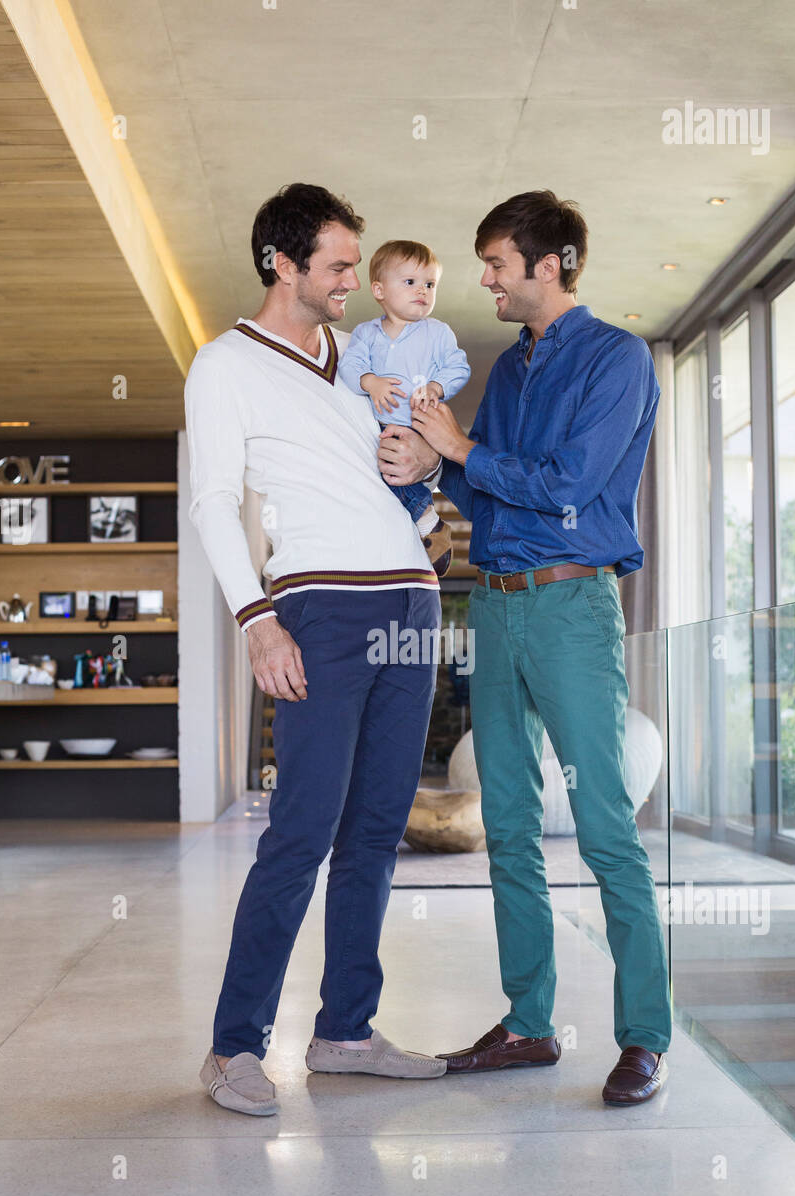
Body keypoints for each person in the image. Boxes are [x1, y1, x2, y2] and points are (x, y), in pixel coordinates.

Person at [378, 190, 672, 1106]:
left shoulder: (620, 359)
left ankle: (644, 1038)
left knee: (606, 830)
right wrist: (439, 466)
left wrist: (462, 449)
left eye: (498, 263)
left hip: (572, 607)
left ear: (552, 265)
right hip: (495, 607)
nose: (485, 279)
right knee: (505, 825)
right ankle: (530, 1024)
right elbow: (496, 496)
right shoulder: (507, 370)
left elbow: (573, 484)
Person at [185, 183, 447, 1115]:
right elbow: (214, 501)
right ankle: (233, 1047)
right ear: (282, 265)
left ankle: (344, 1031)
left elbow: (391, 468)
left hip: (411, 603)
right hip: (321, 612)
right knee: (301, 832)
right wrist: (257, 619)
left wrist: (426, 469)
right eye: (338, 266)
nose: (354, 281)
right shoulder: (224, 365)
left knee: (377, 830)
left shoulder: (354, 359)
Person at [337, 238, 470, 576]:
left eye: (430, 284)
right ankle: (424, 522)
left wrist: (437, 386)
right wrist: (371, 381)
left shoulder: (437, 333)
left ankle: (423, 523)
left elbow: (458, 367)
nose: (422, 291)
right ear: (379, 290)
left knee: (394, 469)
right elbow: (350, 367)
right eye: (410, 282)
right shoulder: (366, 334)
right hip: (381, 426)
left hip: (421, 425)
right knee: (378, 471)